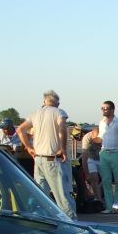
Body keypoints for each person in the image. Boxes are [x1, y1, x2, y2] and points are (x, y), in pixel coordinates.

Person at [17, 90, 76, 220]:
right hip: (53, 159)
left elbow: (20, 130)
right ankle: (73, 223)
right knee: (62, 195)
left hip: (38, 159)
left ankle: (38, 221)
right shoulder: (59, 112)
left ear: (44, 101)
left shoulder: (35, 114)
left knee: (39, 195)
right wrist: (63, 149)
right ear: (57, 103)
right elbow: (62, 128)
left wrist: (29, 147)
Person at [98, 100, 118, 212]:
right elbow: (100, 138)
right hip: (104, 153)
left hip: (116, 153)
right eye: (103, 108)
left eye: (106, 108)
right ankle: (109, 207)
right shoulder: (101, 123)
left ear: (112, 109)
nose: (104, 110)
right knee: (106, 181)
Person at [81, 127, 103, 203]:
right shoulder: (87, 138)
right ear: (92, 134)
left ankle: (103, 196)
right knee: (94, 178)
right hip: (91, 158)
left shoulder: (104, 136)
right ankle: (98, 199)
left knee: (106, 179)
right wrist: (87, 174)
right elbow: (84, 156)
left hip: (102, 158)